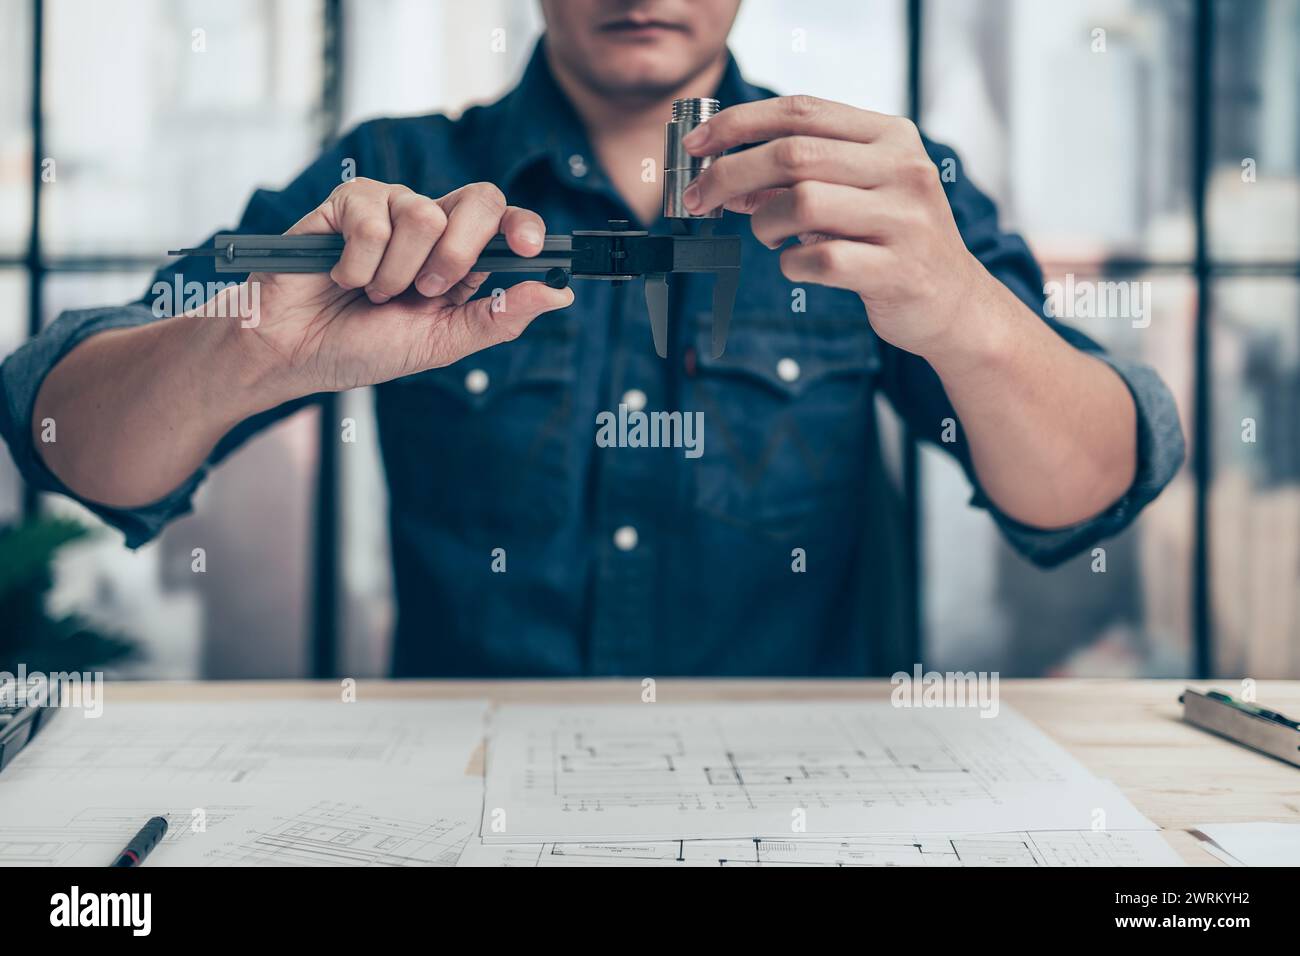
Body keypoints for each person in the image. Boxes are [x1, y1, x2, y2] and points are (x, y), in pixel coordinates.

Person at [0, 0, 1183, 677]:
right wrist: (244, 347)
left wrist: (966, 312)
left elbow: (1085, 493)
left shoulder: (870, 186)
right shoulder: (397, 169)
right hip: (462, 799)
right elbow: (66, 440)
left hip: (810, 805)